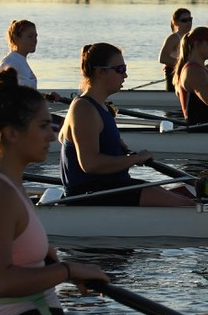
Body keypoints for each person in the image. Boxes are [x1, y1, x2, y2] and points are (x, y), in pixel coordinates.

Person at [0, 69, 192, 315]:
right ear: (11, 133)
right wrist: (69, 271)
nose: (52, 135)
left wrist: (53, 265)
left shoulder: (3, 185)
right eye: (42, 126)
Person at [60, 43, 193, 207]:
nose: (125, 75)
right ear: (100, 72)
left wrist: (120, 150)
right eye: (120, 69)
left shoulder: (99, 105)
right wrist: (134, 159)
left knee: (187, 195)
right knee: (187, 206)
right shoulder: (84, 108)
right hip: (91, 195)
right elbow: (90, 164)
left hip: (112, 187)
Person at [0, 20, 60, 102]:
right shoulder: (12, 60)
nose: (35, 40)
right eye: (30, 36)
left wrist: (47, 96)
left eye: (36, 36)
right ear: (16, 39)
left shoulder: (20, 60)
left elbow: (27, 92)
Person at [156, 8, 192, 93]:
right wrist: (183, 65)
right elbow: (162, 58)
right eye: (184, 20)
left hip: (187, 74)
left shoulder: (191, 37)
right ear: (176, 23)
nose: (188, 23)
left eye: (190, 20)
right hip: (174, 74)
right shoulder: (174, 38)